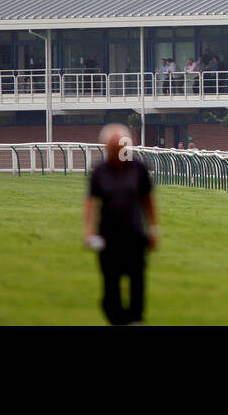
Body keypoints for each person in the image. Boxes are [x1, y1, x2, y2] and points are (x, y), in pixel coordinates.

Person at [83, 124, 158, 326]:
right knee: (111, 289)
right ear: (106, 148)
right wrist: (88, 231)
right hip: (108, 238)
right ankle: (118, 319)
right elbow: (90, 202)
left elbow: (148, 200)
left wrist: (153, 229)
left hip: (135, 236)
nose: (119, 151)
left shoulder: (139, 169)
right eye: (114, 148)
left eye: (122, 147)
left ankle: (135, 319)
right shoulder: (99, 171)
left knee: (137, 283)